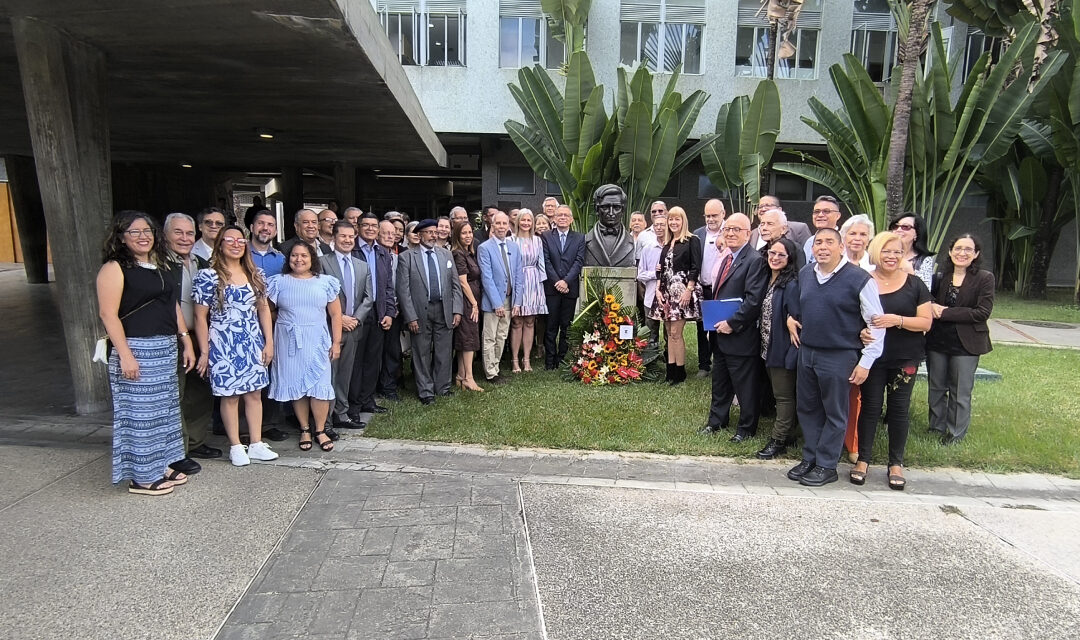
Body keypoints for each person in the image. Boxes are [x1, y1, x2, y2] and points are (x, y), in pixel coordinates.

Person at [97, 211, 194, 496]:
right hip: (137, 348)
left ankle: (159, 464)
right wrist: (125, 355)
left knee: (165, 411)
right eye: (135, 232)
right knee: (141, 416)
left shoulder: (159, 264)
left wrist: (185, 340)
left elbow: (172, 305)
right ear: (121, 237)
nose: (143, 236)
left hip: (164, 347)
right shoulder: (115, 268)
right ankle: (141, 477)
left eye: (147, 231)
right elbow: (108, 314)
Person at [786, 229, 884, 487]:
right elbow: (800, 306)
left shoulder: (859, 279)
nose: (823, 247)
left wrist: (866, 362)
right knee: (807, 408)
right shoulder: (806, 273)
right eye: (818, 242)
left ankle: (827, 465)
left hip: (839, 355)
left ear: (841, 247)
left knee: (834, 412)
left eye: (830, 242)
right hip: (808, 352)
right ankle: (811, 457)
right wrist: (790, 319)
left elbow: (876, 323)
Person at [849, 231, 933, 490]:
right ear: (876, 252)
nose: (892, 256)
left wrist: (897, 320)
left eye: (897, 252)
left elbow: (926, 323)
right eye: (887, 251)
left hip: (904, 357)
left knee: (898, 409)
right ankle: (863, 460)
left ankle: (895, 463)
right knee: (871, 408)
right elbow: (851, 317)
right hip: (873, 357)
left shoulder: (915, 284)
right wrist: (859, 332)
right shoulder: (863, 281)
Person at [193, 225, 277, 467]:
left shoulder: (256, 274)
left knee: (254, 394)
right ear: (219, 244)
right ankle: (236, 446)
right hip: (223, 342)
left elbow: (263, 309)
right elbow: (200, 317)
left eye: (240, 240)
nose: (236, 244)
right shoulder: (208, 276)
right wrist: (205, 351)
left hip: (252, 340)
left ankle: (256, 443)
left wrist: (268, 342)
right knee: (230, 396)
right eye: (229, 240)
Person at [266, 241, 343, 452]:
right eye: (294, 256)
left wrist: (336, 342)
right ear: (288, 258)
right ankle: (305, 429)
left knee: (319, 387)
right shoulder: (278, 282)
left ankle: (320, 430)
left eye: (304, 256)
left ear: (312, 259)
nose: (298, 259)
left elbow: (336, 314)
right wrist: (286, 322)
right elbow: (267, 311)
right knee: (297, 385)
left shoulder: (325, 282)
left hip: (317, 339)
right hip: (289, 340)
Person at [701, 213, 768, 440]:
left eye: (736, 230)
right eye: (727, 229)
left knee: (745, 386)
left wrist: (732, 323)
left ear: (748, 233)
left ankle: (746, 429)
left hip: (740, 335)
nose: (730, 233)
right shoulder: (727, 256)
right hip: (720, 334)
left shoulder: (754, 260)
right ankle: (716, 421)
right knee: (720, 382)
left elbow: (753, 300)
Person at [926, 233, 994, 444]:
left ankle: (955, 433)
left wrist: (945, 312)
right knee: (936, 386)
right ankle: (936, 427)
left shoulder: (984, 278)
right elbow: (928, 300)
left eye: (968, 249)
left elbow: (982, 312)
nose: (962, 253)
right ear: (950, 251)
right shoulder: (940, 276)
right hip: (938, 339)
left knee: (960, 390)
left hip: (967, 342)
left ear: (976, 254)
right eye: (958, 248)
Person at [163, 213, 219, 464]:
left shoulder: (201, 262)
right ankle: (177, 450)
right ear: (166, 235)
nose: (184, 238)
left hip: (200, 335)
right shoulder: (159, 264)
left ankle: (195, 442)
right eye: (178, 232)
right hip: (171, 337)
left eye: (188, 233)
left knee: (200, 391)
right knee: (175, 393)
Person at [396, 219, 463, 404]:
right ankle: (425, 391)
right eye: (429, 232)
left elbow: (455, 285)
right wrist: (410, 317)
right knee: (421, 352)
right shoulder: (407, 257)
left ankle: (442, 387)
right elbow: (403, 291)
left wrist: (457, 310)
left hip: (444, 309)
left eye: (435, 232)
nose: (433, 235)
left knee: (443, 351)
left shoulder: (446, 255)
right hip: (420, 312)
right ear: (420, 235)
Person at [319, 221, 373, 432]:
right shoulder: (323, 262)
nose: (348, 240)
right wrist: (339, 318)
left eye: (351, 237)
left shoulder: (362, 265)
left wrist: (355, 319)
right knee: (329, 374)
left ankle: (342, 413)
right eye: (343, 236)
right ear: (334, 238)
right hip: (330, 327)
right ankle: (325, 422)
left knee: (345, 375)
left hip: (353, 328)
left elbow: (368, 298)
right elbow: (318, 295)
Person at [754, 238, 802, 460]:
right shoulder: (768, 280)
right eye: (772, 253)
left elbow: (796, 317)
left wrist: (792, 319)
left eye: (781, 255)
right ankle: (790, 432)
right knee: (778, 393)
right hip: (766, 346)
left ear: (790, 259)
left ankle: (779, 440)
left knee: (783, 396)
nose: (774, 258)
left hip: (782, 349)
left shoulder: (790, 284)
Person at [349, 212, 397, 425]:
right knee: (355, 362)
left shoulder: (382, 253)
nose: (370, 229)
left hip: (378, 313)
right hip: (357, 313)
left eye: (373, 226)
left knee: (372, 360)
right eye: (365, 225)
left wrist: (389, 312)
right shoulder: (352, 249)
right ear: (358, 227)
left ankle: (368, 400)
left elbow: (388, 286)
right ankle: (353, 405)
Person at [650, 206, 702, 385]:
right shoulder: (667, 244)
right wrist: (657, 288)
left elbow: (696, 266)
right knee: (669, 332)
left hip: (682, 290)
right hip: (665, 291)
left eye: (676, 219)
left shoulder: (691, 240)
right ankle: (670, 371)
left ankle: (680, 371)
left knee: (676, 332)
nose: (673, 222)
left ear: (683, 221)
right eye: (670, 219)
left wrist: (689, 289)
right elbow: (661, 269)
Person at [477, 212, 524, 383]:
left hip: (510, 300)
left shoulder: (514, 247)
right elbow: (487, 278)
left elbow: (519, 275)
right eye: (499, 223)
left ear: (509, 226)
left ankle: (496, 367)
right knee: (489, 337)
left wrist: (517, 302)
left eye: (505, 223)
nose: (502, 227)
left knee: (502, 336)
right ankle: (490, 372)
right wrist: (497, 303)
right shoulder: (484, 248)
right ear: (492, 225)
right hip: (493, 302)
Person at [542, 204, 586, 369]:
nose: (562, 218)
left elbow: (579, 261)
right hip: (552, 289)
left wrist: (566, 281)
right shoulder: (546, 236)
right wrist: (557, 282)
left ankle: (561, 359)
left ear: (571, 219)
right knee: (551, 326)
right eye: (559, 215)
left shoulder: (580, 238)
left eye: (566, 215)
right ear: (554, 218)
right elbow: (545, 261)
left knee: (566, 326)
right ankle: (549, 361)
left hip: (570, 288)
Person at [509, 209, 547, 372]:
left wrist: (540, 286)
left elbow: (541, 264)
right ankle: (515, 360)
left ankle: (527, 360)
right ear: (517, 222)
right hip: (517, 280)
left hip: (533, 281)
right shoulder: (511, 240)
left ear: (532, 223)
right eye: (522, 220)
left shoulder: (537, 241)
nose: (525, 223)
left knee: (530, 322)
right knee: (517, 322)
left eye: (528, 220)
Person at [693, 199, 726, 377]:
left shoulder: (730, 232)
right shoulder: (697, 234)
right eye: (708, 216)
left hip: (721, 289)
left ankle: (719, 363)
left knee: (718, 328)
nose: (711, 219)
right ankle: (703, 365)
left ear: (723, 213)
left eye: (714, 215)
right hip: (703, 288)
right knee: (701, 328)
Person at [452, 221, 484, 391]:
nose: (468, 236)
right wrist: (474, 304)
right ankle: (469, 378)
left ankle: (461, 375)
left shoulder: (469, 253)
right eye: (464, 233)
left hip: (472, 297)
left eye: (470, 232)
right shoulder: (458, 254)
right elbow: (462, 282)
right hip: (467, 300)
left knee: (466, 337)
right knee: (468, 339)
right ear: (457, 235)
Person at [376, 220, 405, 400]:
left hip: (394, 311)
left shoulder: (397, 258)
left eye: (392, 233)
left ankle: (388, 387)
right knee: (374, 353)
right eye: (385, 233)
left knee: (393, 351)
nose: (389, 236)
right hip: (376, 311)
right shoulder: (371, 256)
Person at [636, 212, 665, 347]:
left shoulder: (674, 247)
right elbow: (640, 274)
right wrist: (656, 273)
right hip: (651, 296)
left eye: (662, 225)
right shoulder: (648, 249)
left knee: (669, 333)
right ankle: (651, 358)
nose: (659, 228)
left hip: (668, 298)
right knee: (650, 331)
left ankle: (668, 357)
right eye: (656, 225)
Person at [889, 212, 936, 289]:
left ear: (916, 234)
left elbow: (925, 291)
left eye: (906, 227)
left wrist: (909, 270)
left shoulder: (924, 260)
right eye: (895, 226)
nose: (899, 230)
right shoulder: (882, 254)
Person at [802, 195, 843, 263]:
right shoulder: (809, 242)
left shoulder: (844, 241)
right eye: (816, 212)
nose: (820, 215)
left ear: (838, 216)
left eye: (826, 211)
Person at [249, 210, 285, 276]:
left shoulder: (282, 260)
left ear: (275, 232)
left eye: (270, 225)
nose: (265, 228)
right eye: (260, 223)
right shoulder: (240, 255)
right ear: (252, 228)